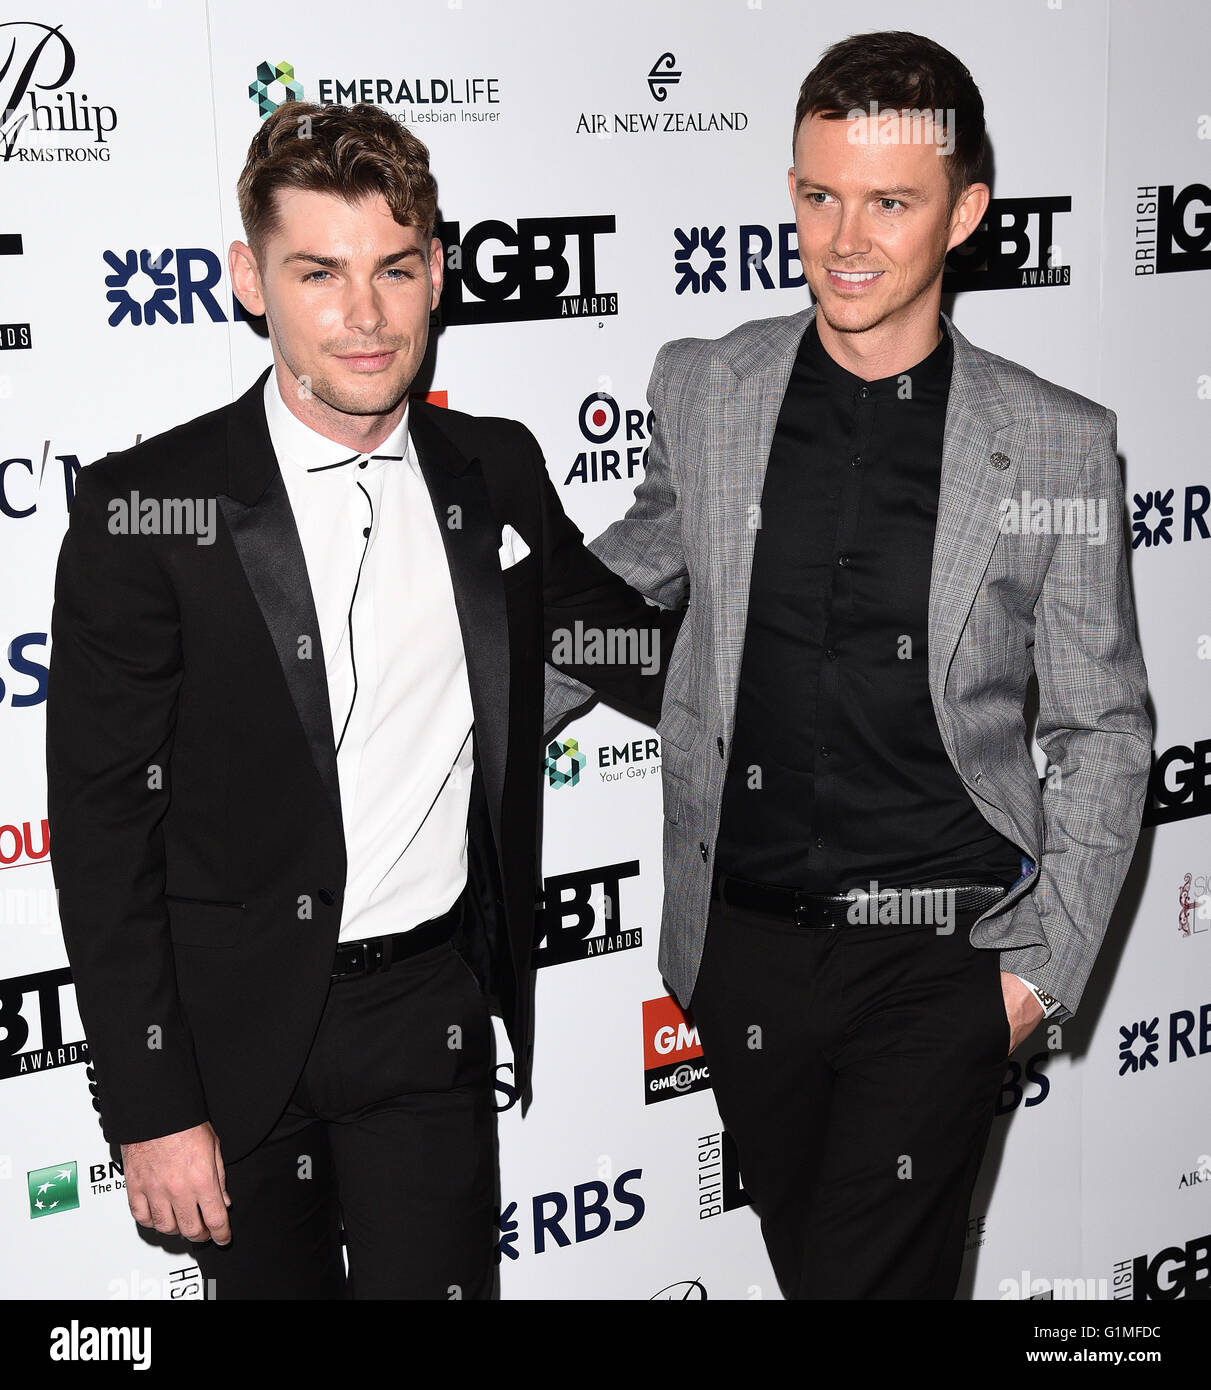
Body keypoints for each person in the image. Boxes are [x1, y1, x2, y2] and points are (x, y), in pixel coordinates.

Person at [545, 30, 1151, 1298]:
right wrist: (447, 695)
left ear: (964, 213)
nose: (845, 237)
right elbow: (631, 576)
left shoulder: (1051, 447)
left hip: (936, 960)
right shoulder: (710, 389)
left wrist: (1039, 975)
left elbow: (1100, 727)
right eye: (819, 195)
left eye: (890, 201)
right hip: (744, 955)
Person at [46, 100, 675, 1300]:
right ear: (249, 280)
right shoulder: (149, 510)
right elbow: (102, 834)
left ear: (437, 271)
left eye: (394, 267)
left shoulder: (492, 468)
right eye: (319, 272)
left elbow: (624, 647)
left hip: (424, 1020)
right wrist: (151, 1104)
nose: (365, 314)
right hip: (236, 1043)